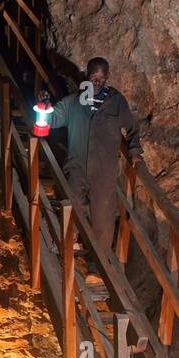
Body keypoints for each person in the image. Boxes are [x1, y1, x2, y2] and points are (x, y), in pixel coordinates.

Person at [43, 57, 143, 281]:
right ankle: (67, 250)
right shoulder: (73, 102)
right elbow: (52, 119)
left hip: (104, 169)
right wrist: (44, 107)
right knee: (72, 205)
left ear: (106, 77)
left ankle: (97, 268)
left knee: (103, 217)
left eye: (101, 77)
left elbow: (132, 127)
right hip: (76, 165)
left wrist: (135, 152)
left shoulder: (116, 102)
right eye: (93, 76)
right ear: (86, 76)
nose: (96, 81)